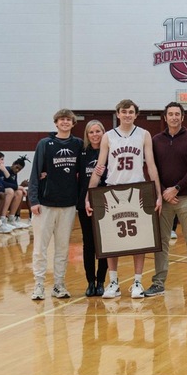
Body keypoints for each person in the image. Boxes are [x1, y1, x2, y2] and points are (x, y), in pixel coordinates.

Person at [86, 99, 163, 300]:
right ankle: (113, 282)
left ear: (136, 114)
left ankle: (137, 281)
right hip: (112, 189)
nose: (127, 114)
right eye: (124, 111)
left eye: (131, 111)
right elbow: (99, 168)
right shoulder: (108, 137)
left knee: (140, 239)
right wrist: (88, 195)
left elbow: (151, 166)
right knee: (113, 240)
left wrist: (158, 194)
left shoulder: (144, 134)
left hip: (138, 188)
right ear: (117, 114)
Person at [145, 102, 187, 298]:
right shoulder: (156, 140)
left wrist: (177, 188)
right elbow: (151, 168)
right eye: (170, 114)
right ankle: (158, 282)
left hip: (186, 198)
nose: (173, 117)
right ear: (165, 117)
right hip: (163, 199)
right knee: (161, 242)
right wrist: (163, 192)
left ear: (182, 117)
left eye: (177, 114)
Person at [28, 109, 84, 300]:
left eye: (68, 120)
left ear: (73, 123)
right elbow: (35, 172)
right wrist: (33, 200)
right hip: (45, 204)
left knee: (62, 249)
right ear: (56, 123)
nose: (65, 122)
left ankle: (59, 285)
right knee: (41, 248)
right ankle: (38, 285)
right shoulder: (45, 144)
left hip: (68, 205)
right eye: (62, 120)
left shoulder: (78, 144)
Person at [78, 120, 109, 297]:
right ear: (87, 135)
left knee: (104, 244)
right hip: (86, 204)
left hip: (105, 203)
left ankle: (102, 281)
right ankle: (90, 282)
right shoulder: (81, 153)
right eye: (91, 132)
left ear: (103, 133)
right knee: (88, 244)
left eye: (98, 131)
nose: (95, 135)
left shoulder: (110, 153)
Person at [0, 152, 29, 230]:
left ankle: (12, 218)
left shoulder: (8, 171)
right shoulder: (0, 169)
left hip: (1, 190)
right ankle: (2, 218)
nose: (0, 161)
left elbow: (13, 185)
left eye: (2, 159)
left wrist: (19, 187)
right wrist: (19, 186)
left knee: (19, 192)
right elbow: (2, 184)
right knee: (11, 191)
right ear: (13, 164)